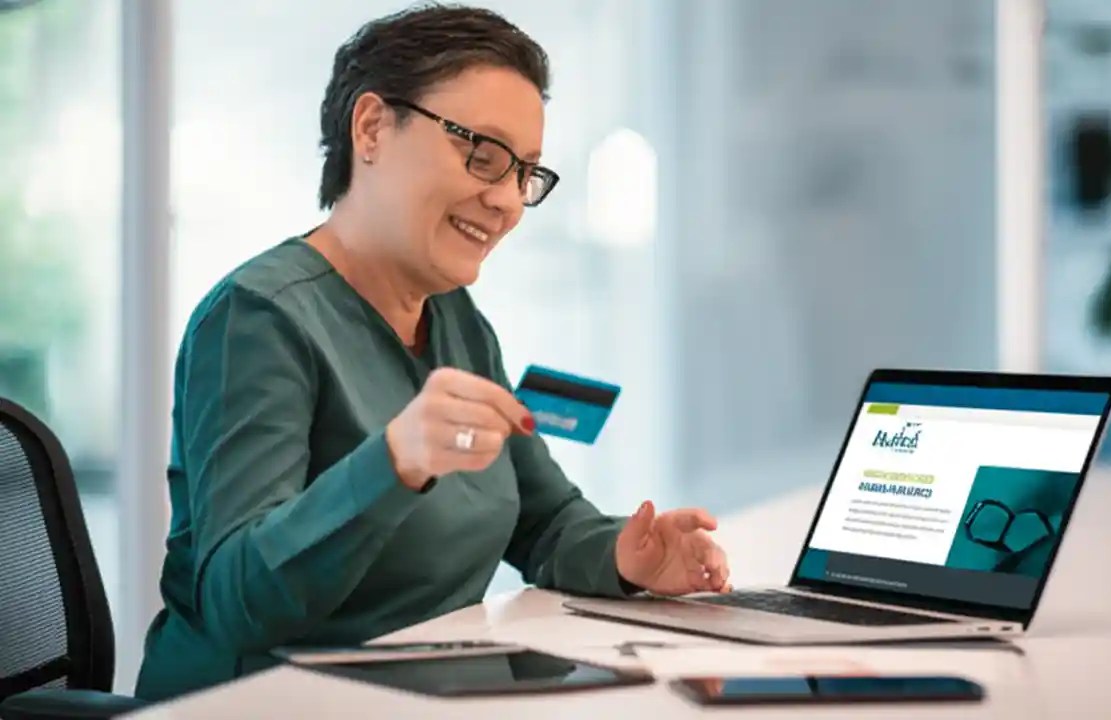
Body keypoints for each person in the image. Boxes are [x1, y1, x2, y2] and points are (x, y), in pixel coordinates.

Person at [135, 4, 731, 701]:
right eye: (482, 152)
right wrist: (395, 462)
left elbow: (544, 522)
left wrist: (629, 558)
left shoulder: (455, 319)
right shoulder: (257, 319)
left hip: (430, 692)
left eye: (526, 173)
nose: (507, 198)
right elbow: (239, 601)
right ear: (371, 128)